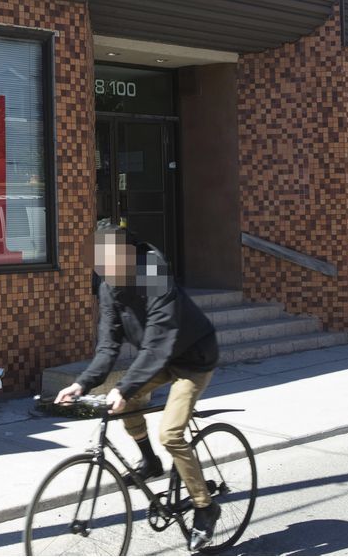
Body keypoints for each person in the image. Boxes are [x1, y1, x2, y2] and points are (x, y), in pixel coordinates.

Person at [55, 224, 221, 552]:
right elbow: (108, 345)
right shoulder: (107, 286)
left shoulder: (153, 273)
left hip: (192, 358)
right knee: (125, 402)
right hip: (158, 360)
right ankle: (150, 463)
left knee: (170, 434)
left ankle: (205, 508)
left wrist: (125, 385)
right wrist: (81, 383)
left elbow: (160, 337)